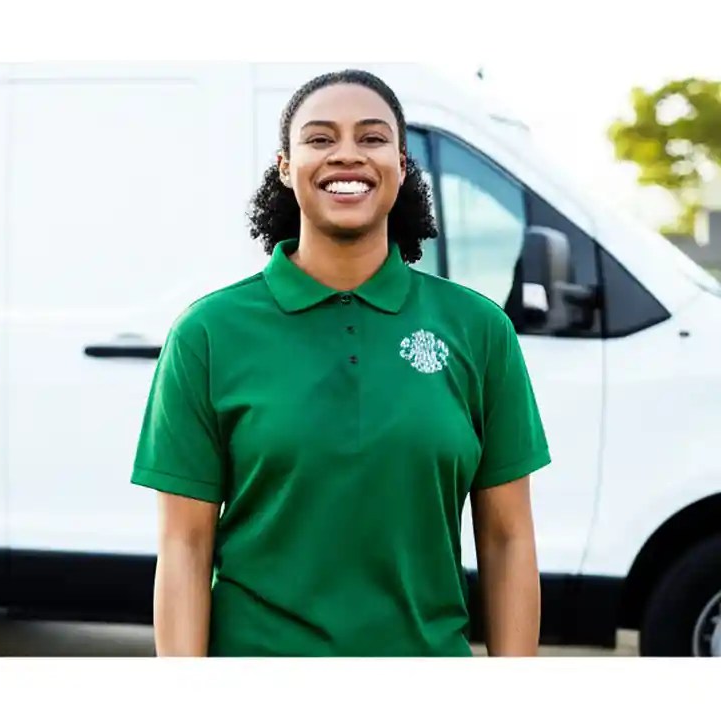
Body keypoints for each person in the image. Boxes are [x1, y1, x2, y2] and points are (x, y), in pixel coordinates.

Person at [130, 69, 550, 657]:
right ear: (285, 167)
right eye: (321, 139)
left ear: (402, 166)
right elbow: (184, 547)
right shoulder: (208, 333)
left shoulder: (479, 330)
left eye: (372, 138)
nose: (346, 155)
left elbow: (507, 539)